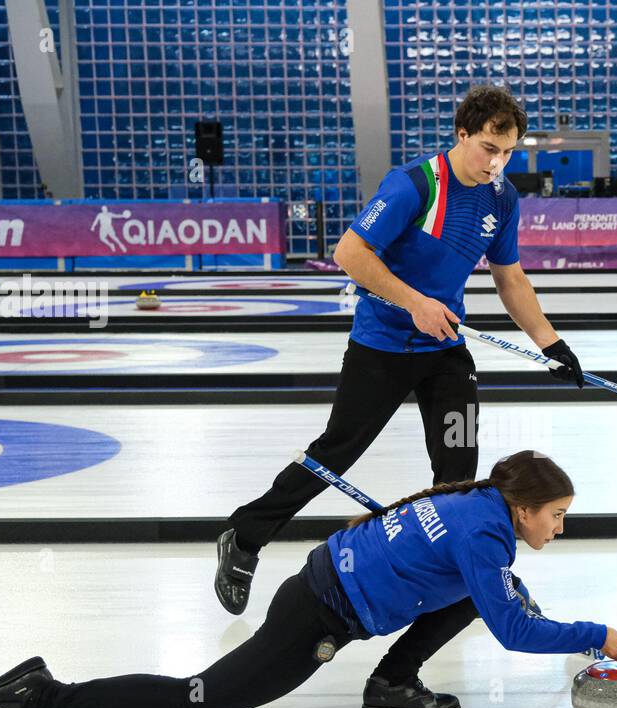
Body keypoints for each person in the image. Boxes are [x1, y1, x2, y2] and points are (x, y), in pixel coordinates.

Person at [215, 85, 586, 625]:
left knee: (459, 467)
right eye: (488, 148)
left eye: (508, 151)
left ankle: (452, 568)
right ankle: (244, 537)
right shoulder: (414, 185)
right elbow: (349, 252)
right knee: (336, 453)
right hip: (381, 347)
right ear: (461, 135)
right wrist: (414, 303)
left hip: (446, 352)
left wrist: (550, 344)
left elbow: (509, 277)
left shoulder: (501, 198)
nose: (497, 162)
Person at [0, 452, 617, 708]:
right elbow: (512, 630)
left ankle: (392, 685)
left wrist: (530, 608)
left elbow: (496, 593)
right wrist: (595, 634)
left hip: (318, 581)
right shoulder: (484, 535)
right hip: (315, 616)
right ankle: (44, 694)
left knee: (478, 590)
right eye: (557, 515)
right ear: (523, 510)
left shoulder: (480, 507)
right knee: (200, 701)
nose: (561, 527)